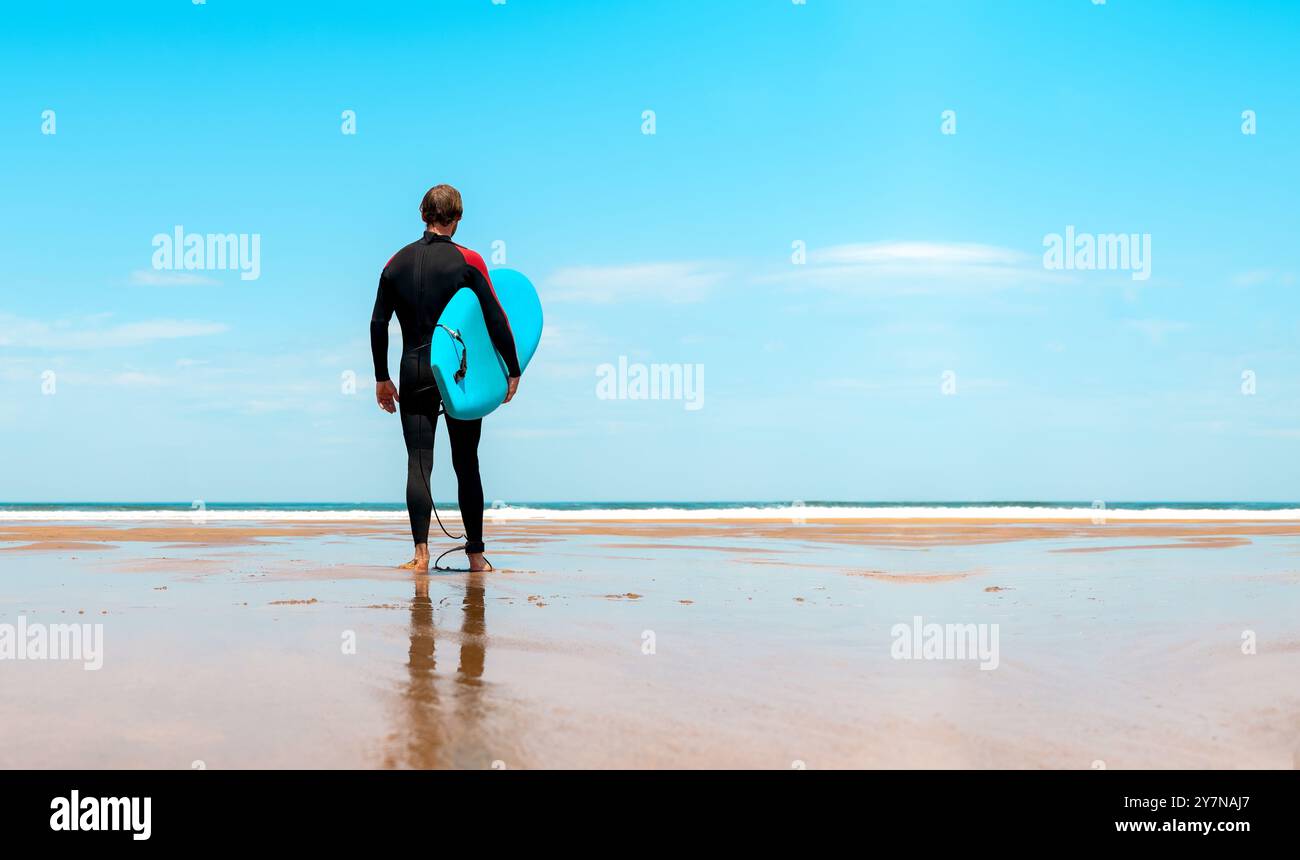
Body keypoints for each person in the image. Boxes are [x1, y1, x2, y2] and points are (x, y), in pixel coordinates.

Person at [369, 184, 521, 572]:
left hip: (413, 368)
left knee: (419, 462)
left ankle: (420, 555)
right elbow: (495, 317)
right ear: (457, 218)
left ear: (423, 213)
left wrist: (382, 377)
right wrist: (512, 367)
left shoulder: (395, 262)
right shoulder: (468, 261)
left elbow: (378, 322)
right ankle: (475, 556)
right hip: (457, 371)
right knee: (466, 461)